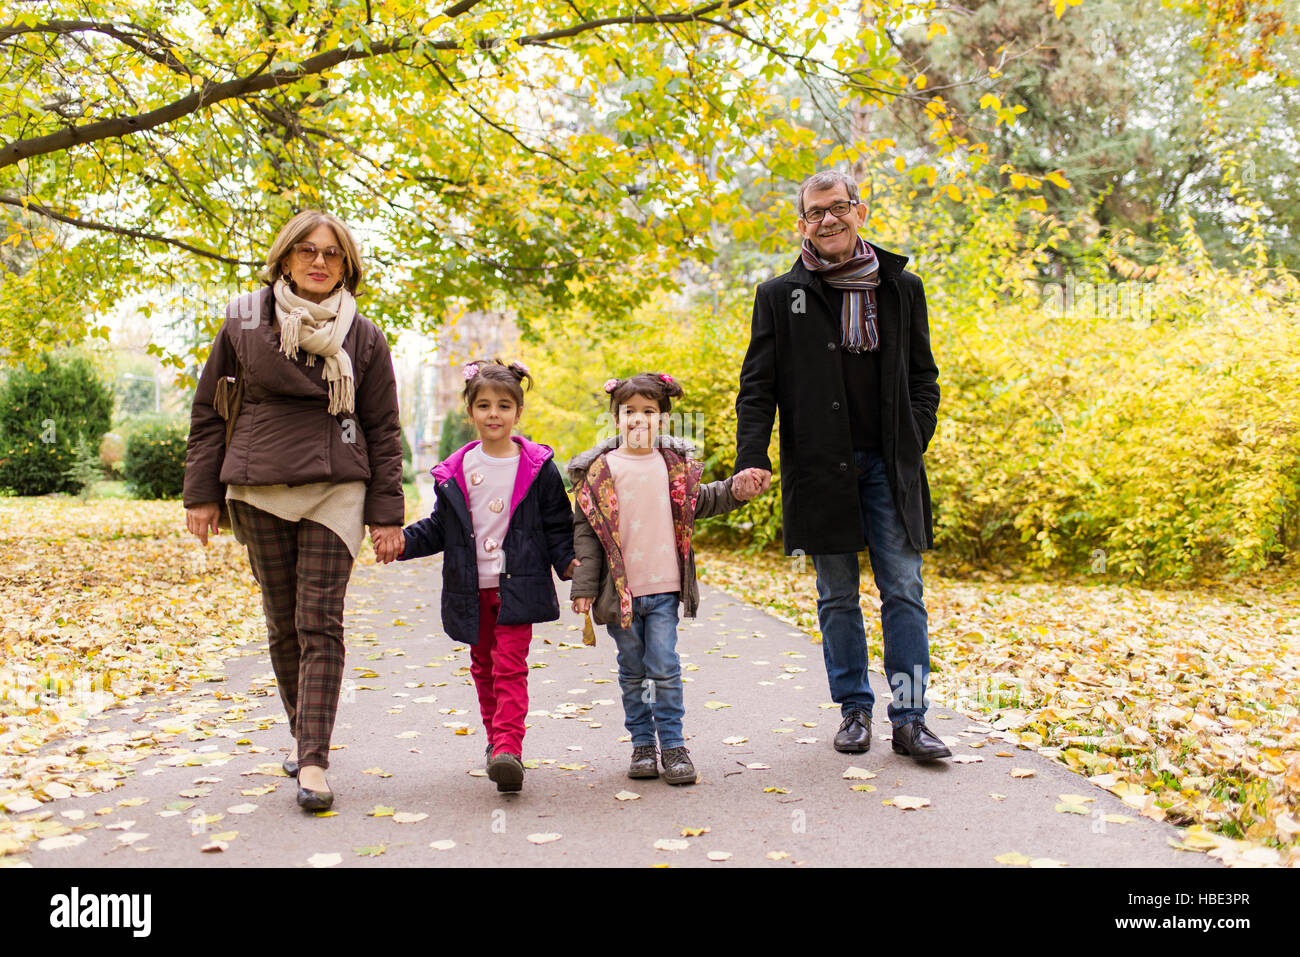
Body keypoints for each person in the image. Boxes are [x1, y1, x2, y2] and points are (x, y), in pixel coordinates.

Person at [184, 209, 406, 811]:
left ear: (347, 265)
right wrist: (201, 494)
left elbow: (384, 429)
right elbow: (209, 413)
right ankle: (302, 734)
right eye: (306, 250)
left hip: (337, 488)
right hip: (258, 488)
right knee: (283, 622)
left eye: (331, 254)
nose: (318, 261)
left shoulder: (363, 336)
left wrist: (387, 513)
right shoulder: (244, 321)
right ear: (284, 258)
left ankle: (313, 761)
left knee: (319, 622)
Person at [733, 169, 951, 761]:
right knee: (836, 594)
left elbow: (924, 377)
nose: (827, 220)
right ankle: (854, 710)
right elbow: (758, 388)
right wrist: (751, 457)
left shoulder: (902, 288)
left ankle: (910, 719)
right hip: (819, 466)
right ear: (803, 222)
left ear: (859, 210)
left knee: (903, 587)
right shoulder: (783, 295)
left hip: (889, 464)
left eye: (837, 208)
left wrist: (913, 437)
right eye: (815, 213)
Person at [385, 359, 578, 794]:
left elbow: (556, 525)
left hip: (519, 585)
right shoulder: (456, 471)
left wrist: (568, 565)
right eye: (485, 405)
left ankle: (509, 747)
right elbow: (439, 527)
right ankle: (496, 745)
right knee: (483, 668)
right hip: (470, 590)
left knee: (510, 667)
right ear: (469, 412)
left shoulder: (539, 466)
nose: (495, 413)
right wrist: (402, 543)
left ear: (518, 412)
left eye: (504, 405)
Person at [568, 373, 765, 785]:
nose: (638, 420)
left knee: (664, 666)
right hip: (619, 593)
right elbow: (586, 531)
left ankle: (673, 745)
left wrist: (737, 490)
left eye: (649, 412)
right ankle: (643, 745)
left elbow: (703, 501)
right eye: (629, 412)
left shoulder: (673, 467)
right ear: (615, 417)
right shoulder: (600, 471)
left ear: (663, 418)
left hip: (663, 589)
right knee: (633, 670)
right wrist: (584, 587)